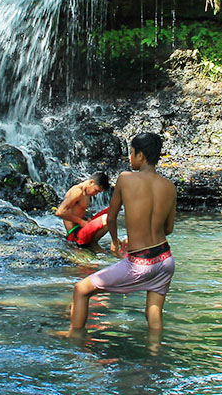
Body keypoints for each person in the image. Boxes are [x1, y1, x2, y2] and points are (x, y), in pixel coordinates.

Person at [66, 133, 176, 335]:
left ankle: (74, 338)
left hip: (141, 263)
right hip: (166, 260)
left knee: (81, 290)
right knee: (154, 314)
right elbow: (168, 229)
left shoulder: (126, 179)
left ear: (141, 155)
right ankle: (155, 356)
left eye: (131, 153)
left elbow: (111, 217)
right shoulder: (169, 187)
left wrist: (116, 241)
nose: (130, 158)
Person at [56, 172, 111, 249]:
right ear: (91, 182)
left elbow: (76, 211)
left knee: (111, 210)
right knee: (106, 218)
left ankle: (94, 242)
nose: (96, 194)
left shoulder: (86, 192)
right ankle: (93, 243)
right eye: (96, 190)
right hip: (75, 235)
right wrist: (81, 222)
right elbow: (59, 212)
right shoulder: (77, 192)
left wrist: (85, 219)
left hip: (82, 227)